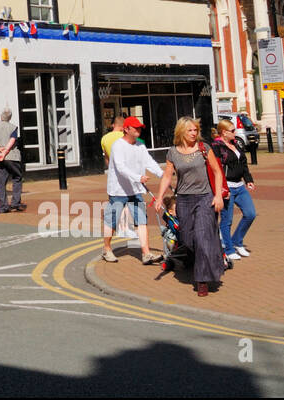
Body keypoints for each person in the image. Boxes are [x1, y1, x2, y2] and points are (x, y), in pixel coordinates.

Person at [155, 117, 225, 297]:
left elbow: (217, 172)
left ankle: (202, 280)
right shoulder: (173, 153)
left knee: (202, 238)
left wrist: (218, 196)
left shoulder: (204, 148)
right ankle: (210, 259)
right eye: (190, 131)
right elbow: (167, 177)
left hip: (205, 198)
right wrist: (160, 196)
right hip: (184, 200)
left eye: (195, 130)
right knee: (186, 239)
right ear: (181, 132)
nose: (194, 133)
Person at [102, 115, 164, 264]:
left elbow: (149, 162)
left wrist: (163, 174)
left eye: (140, 128)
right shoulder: (118, 145)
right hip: (118, 191)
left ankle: (146, 254)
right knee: (113, 221)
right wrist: (138, 177)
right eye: (135, 128)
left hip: (135, 190)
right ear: (126, 129)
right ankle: (107, 249)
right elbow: (120, 167)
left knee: (141, 221)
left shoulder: (140, 146)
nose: (138, 130)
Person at [211, 118, 255, 259]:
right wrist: (222, 189)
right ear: (224, 133)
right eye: (232, 131)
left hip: (240, 186)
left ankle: (237, 242)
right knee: (227, 220)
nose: (235, 132)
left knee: (250, 214)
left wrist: (248, 180)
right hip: (227, 187)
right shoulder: (216, 146)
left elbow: (243, 163)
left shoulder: (235, 144)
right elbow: (216, 169)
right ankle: (229, 250)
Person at [0, 109, 24, 212]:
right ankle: (15, 203)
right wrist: (5, 152)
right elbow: (12, 141)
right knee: (17, 177)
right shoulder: (13, 128)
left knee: (1, 182)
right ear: (10, 118)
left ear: (1, 117)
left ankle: (3, 207)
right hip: (11, 157)